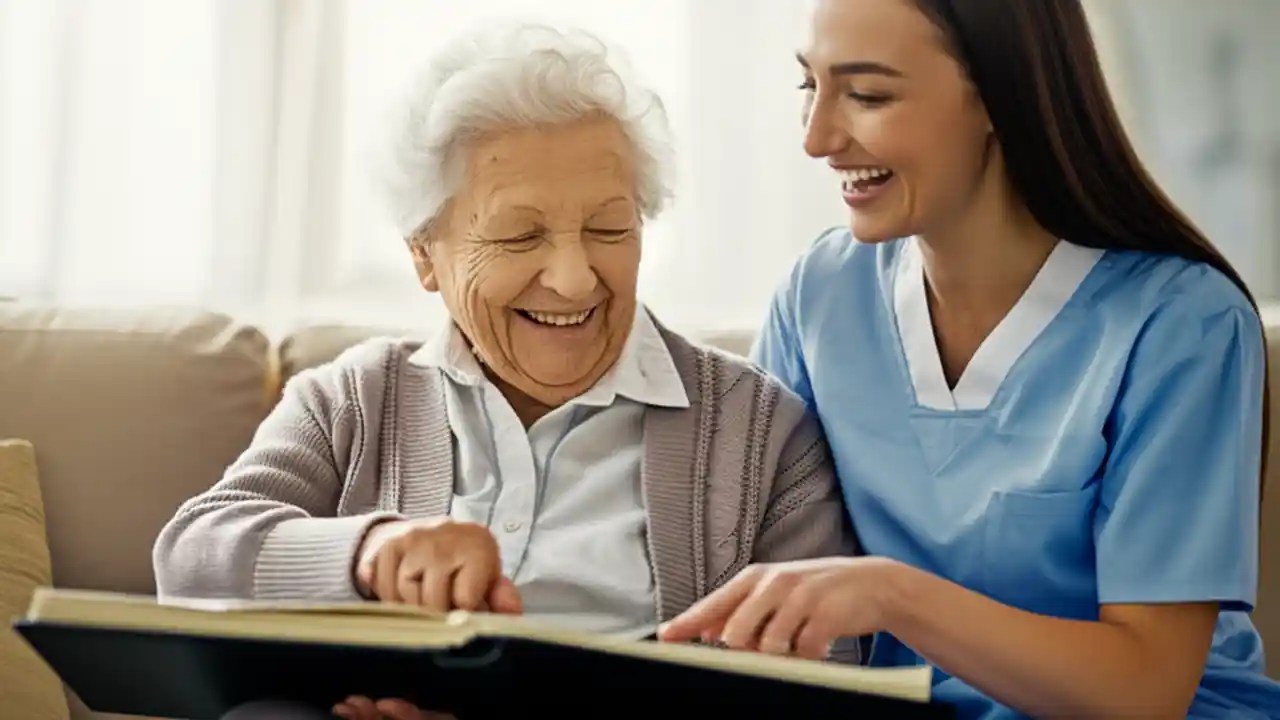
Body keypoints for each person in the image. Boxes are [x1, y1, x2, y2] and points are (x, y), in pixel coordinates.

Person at [151, 22, 858, 720]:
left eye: (610, 230)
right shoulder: (356, 399)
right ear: (425, 254)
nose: (575, 279)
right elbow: (190, 560)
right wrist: (372, 552)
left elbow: (826, 678)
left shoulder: (761, 430)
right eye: (521, 235)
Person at [657, 0, 1280, 718]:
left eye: (867, 95)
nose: (818, 137)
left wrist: (893, 594)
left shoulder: (1180, 325)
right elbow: (745, 571)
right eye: (810, 86)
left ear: (998, 96)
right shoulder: (819, 296)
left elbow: (1146, 690)